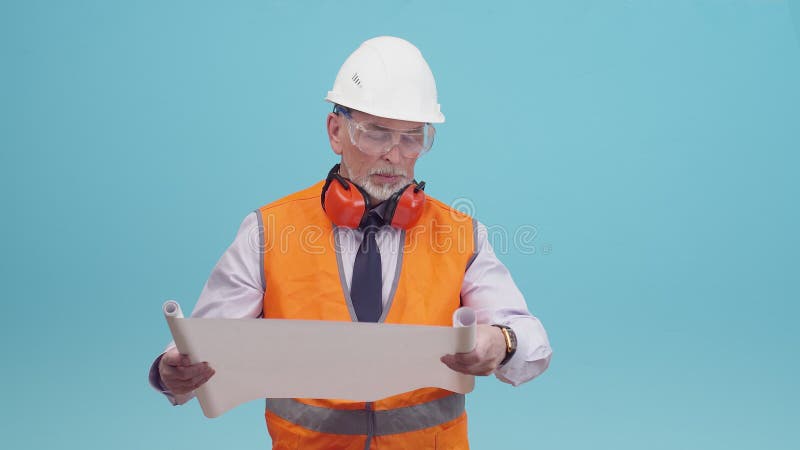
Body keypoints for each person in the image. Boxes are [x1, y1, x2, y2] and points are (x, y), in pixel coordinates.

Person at [149, 36, 552, 449]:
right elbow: (205, 343)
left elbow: (532, 342)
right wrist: (172, 370)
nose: (394, 156)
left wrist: (502, 342)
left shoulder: (461, 235)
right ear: (336, 131)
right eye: (376, 133)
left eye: (412, 137)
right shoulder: (268, 231)